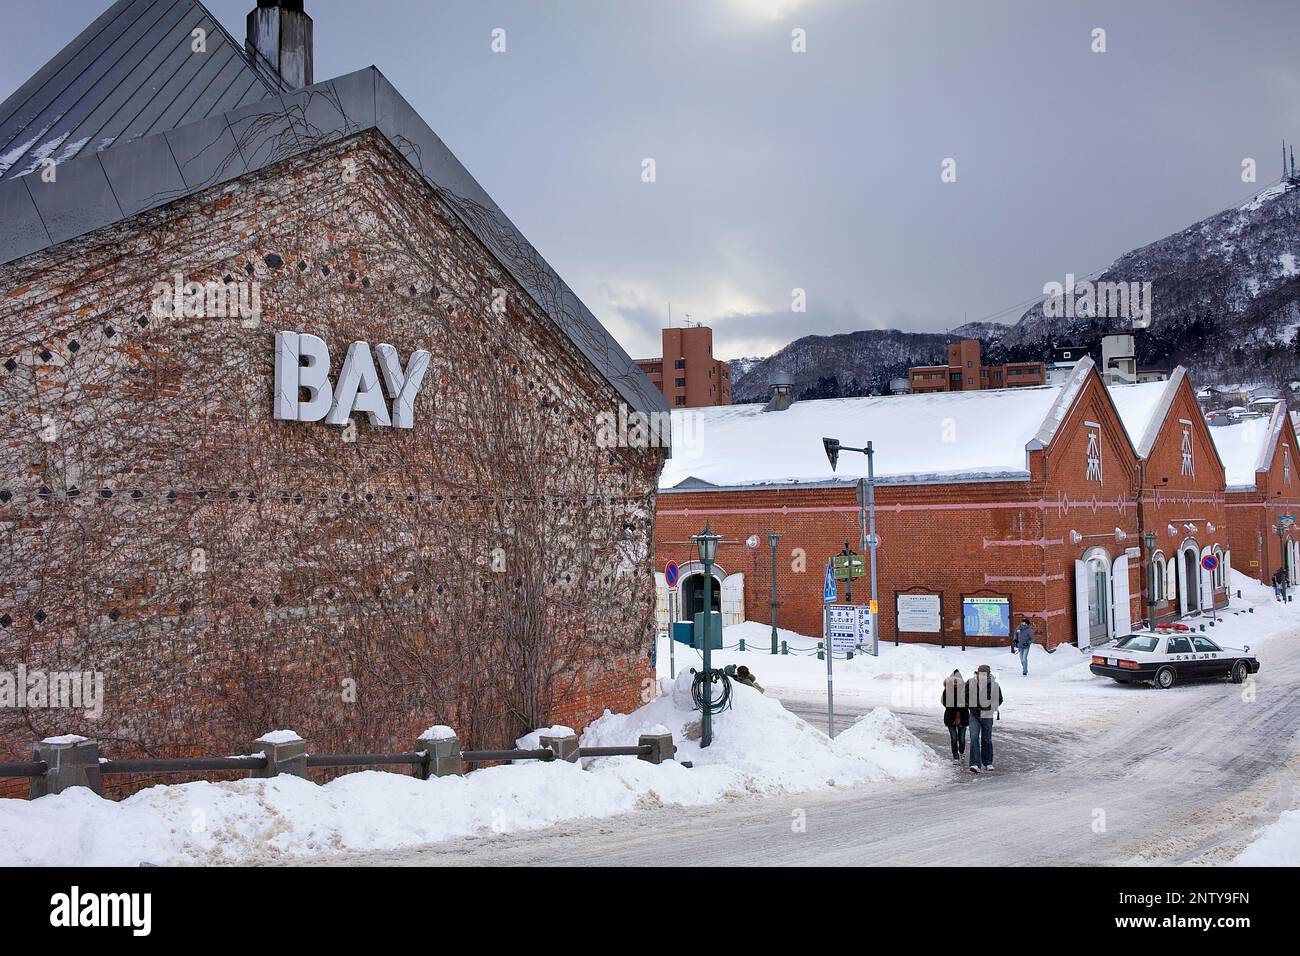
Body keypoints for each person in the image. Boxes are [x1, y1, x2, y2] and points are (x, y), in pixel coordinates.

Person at [964, 664, 1003, 774]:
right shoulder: (970, 683)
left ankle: (987, 762)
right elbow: (964, 697)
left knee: (986, 739)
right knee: (974, 738)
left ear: (988, 674)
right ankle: (975, 764)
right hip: (974, 715)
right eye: (981, 674)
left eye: (985, 674)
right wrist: (971, 707)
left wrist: (991, 707)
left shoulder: (994, 685)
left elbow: (999, 699)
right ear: (977, 673)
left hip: (987, 715)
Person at [940, 670, 968, 761]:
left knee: (962, 739)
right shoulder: (947, 690)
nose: (955, 683)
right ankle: (955, 756)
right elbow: (944, 702)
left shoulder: (965, 691)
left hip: (963, 717)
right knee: (954, 738)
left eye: (957, 680)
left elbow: (968, 702)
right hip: (950, 717)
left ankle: (961, 752)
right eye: (954, 680)